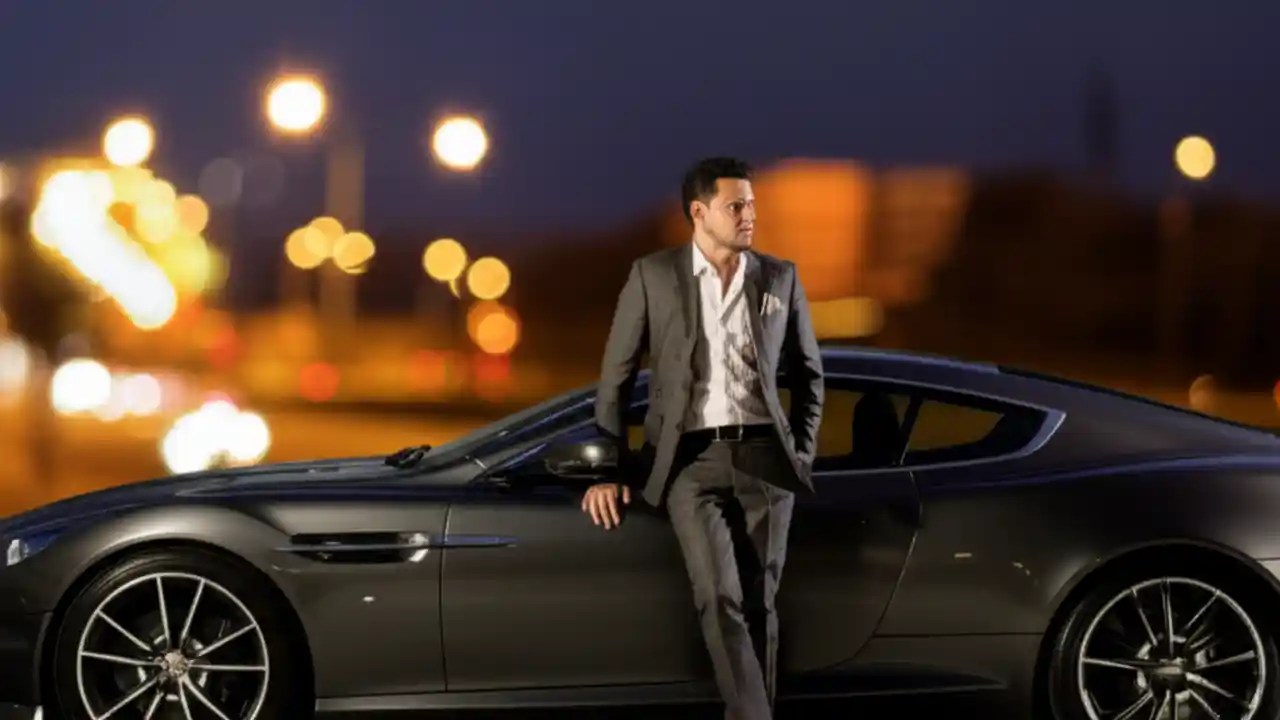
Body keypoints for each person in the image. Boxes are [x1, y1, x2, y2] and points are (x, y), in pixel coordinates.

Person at [584, 157, 824, 720]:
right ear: (699, 211)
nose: (749, 216)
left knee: (762, 603)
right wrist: (606, 468)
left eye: (753, 205)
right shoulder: (653, 276)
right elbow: (615, 379)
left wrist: (803, 450)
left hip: (767, 459)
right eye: (735, 206)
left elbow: (809, 376)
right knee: (718, 597)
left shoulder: (779, 278)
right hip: (689, 462)